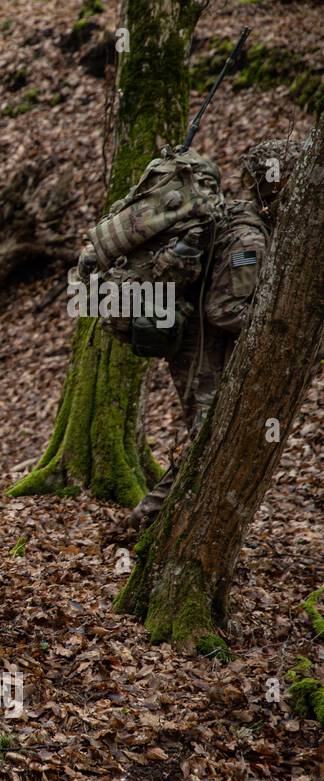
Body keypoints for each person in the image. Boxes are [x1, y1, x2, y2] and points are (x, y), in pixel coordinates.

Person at [123, 139, 302, 532]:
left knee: (210, 441)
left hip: (202, 345)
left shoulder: (244, 222)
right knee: (206, 442)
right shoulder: (248, 239)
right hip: (199, 349)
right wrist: (279, 326)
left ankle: (166, 523)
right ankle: (142, 524)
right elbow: (224, 311)